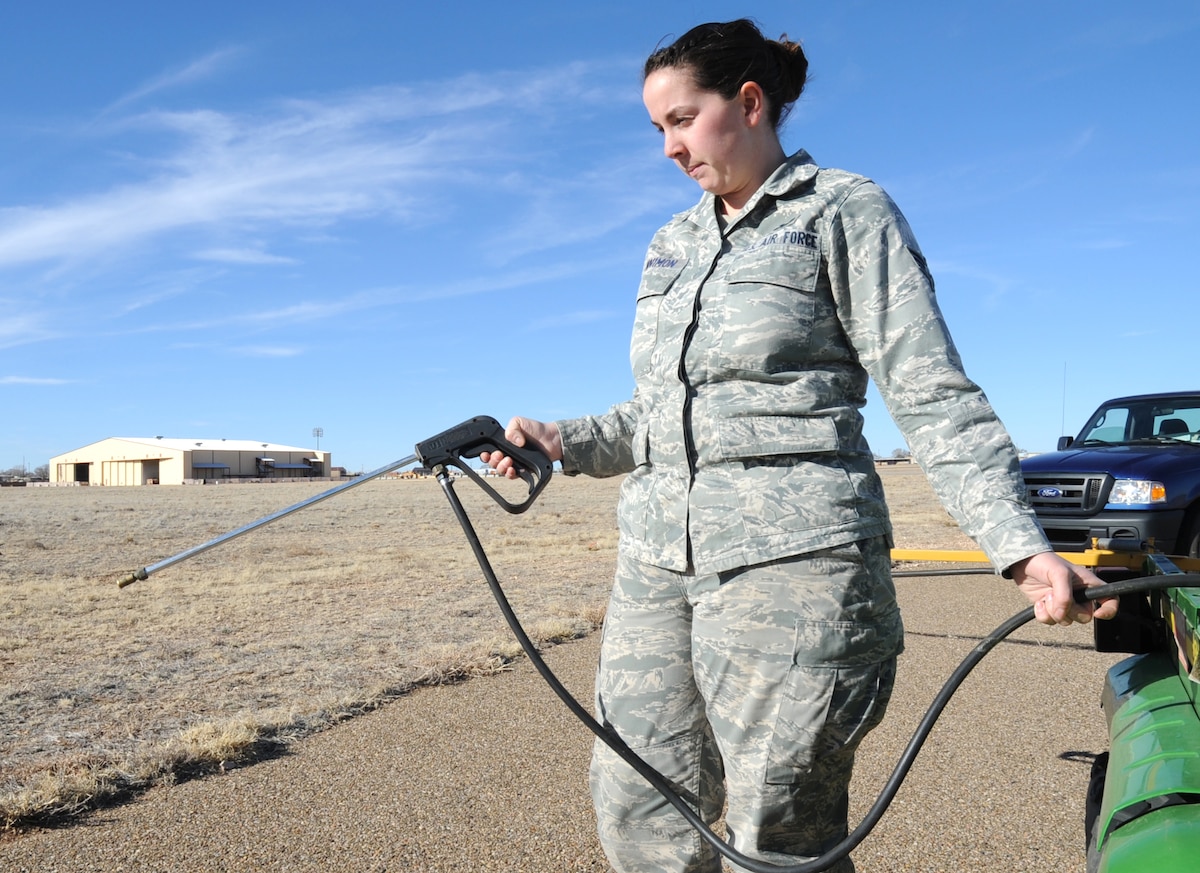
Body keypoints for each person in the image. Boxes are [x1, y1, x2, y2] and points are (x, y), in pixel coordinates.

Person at [484, 19, 1117, 873]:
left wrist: (1018, 545)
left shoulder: (843, 210)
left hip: (797, 570)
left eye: (681, 119)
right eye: (656, 129)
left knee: (777, 837)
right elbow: (657, 413)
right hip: (657, 569)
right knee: (637, 806)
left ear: (749, 103)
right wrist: (558, 440)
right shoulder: (672, 244)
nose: (667, 148)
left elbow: (930, 393)